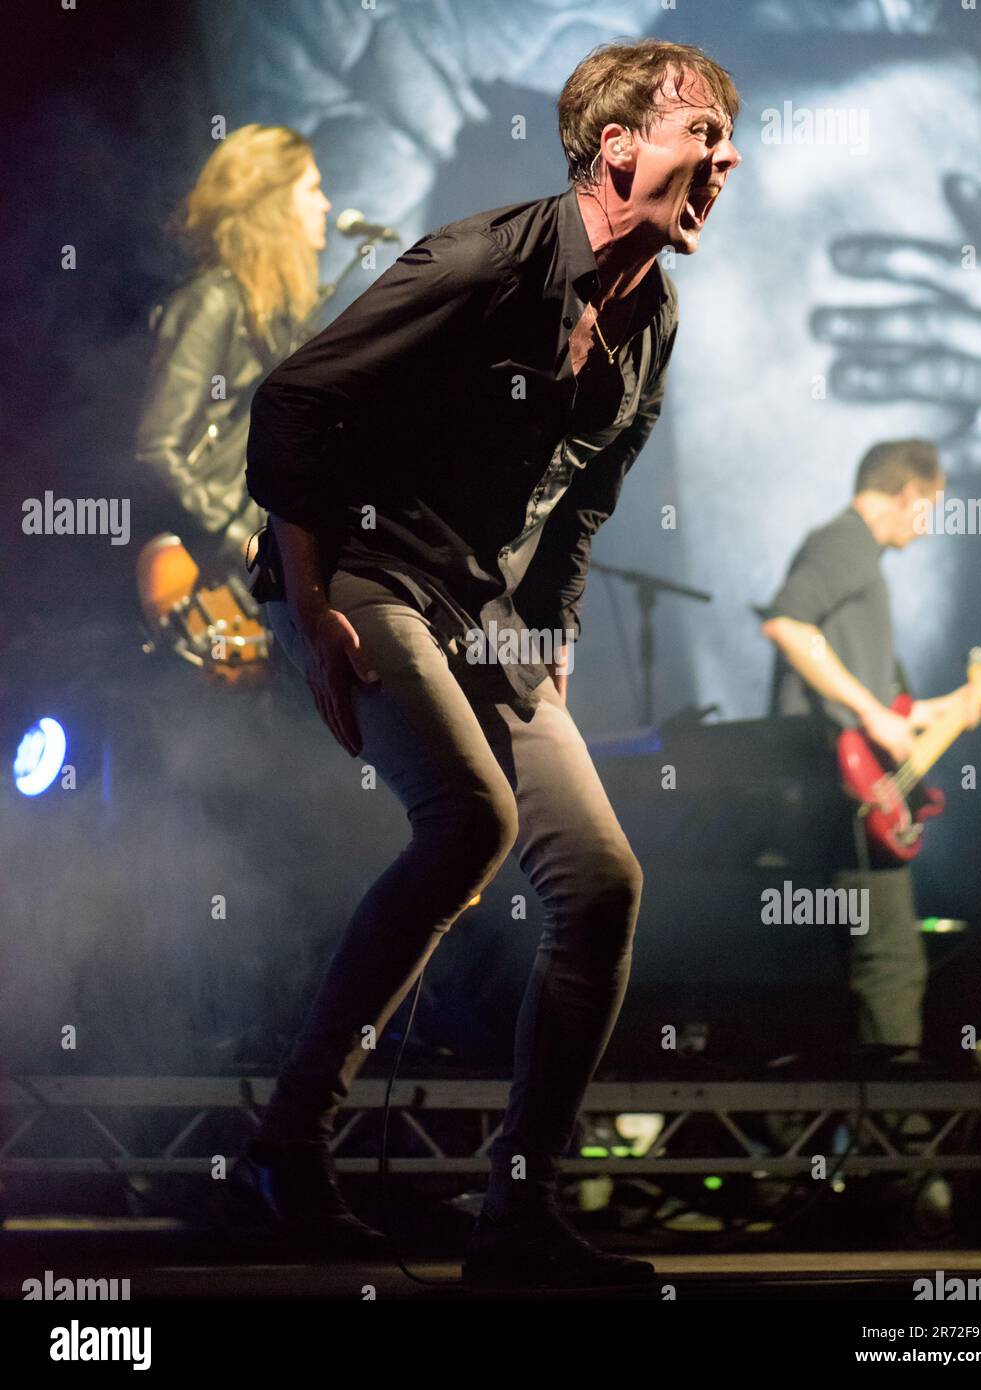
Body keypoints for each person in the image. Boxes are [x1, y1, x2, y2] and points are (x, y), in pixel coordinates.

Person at [231, 37, 741, 1290]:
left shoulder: (651, 316)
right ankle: (289, 1142)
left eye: (730, 141)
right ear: (616, 148)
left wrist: (550, 634)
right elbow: (293, 402)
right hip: (359, 570)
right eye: (702, 133)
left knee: (604, 882)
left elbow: (583, 504)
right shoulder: (477, 261)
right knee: (467, 821)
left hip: (480, 607)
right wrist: (303, 603)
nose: (725, 160)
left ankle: (514, 1215)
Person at [761, 439, 981, 1058]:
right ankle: (896, 1137)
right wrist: (869, 711)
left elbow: (888, 714)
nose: (930, 522)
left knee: (856, 963)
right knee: (890, 961)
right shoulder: (846, 541)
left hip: (840, 789)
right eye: (932, 506)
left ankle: (846, 1135)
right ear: (912, 493)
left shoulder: (856, 556)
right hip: (837, 794)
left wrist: (949, 709)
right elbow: (787, 622)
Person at [134, 123, 332, 575]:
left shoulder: (280, 322)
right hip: (209, 568)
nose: (325, 204)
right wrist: (235, 541)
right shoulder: (213, 301)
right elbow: (156, 450)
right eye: (313, 188)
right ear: (272, 203)